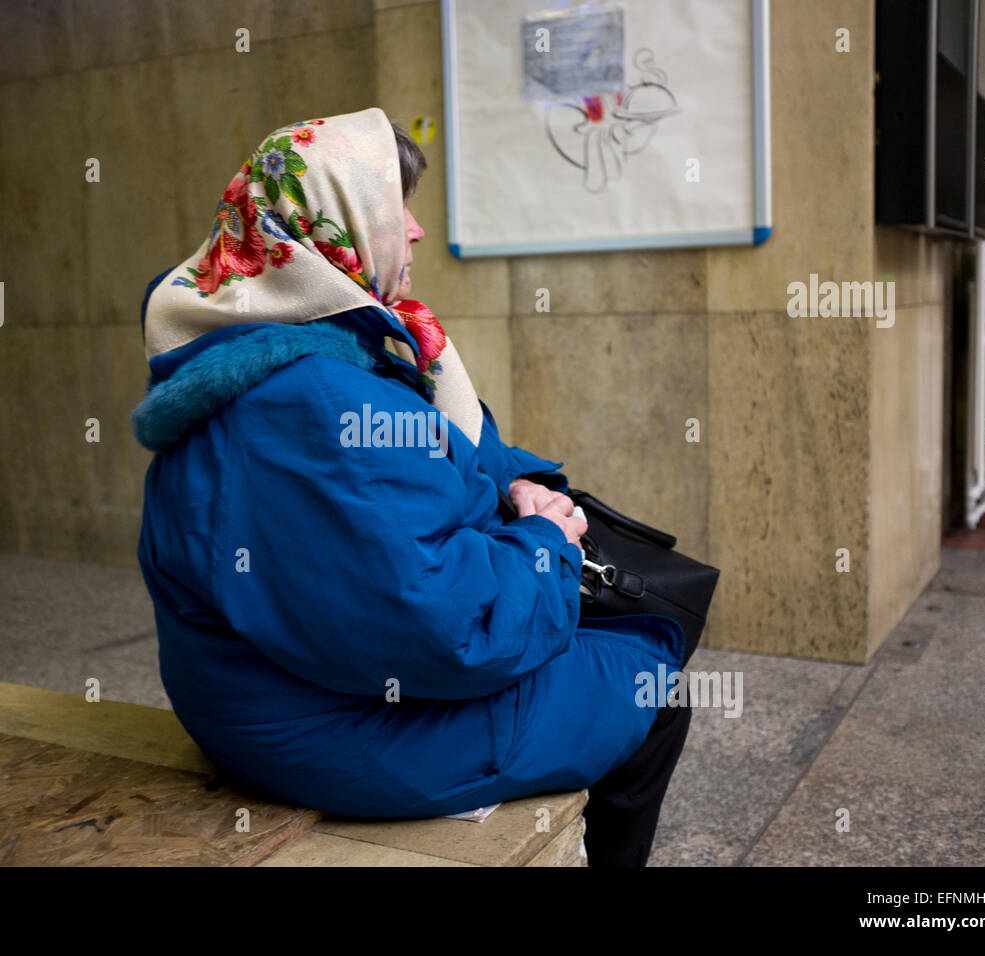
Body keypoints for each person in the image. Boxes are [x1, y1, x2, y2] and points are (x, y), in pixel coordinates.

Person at [132, 107, 692, 866]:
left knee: (608, 640)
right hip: (328, 728)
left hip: (258, 696)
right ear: (336, 224)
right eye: (396, 205)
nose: (418, 229)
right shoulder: (323, 401)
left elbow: (461, 450)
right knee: (651, 682)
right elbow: (449, 629)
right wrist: (545, 540)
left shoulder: (301, 346)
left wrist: (521, 482)